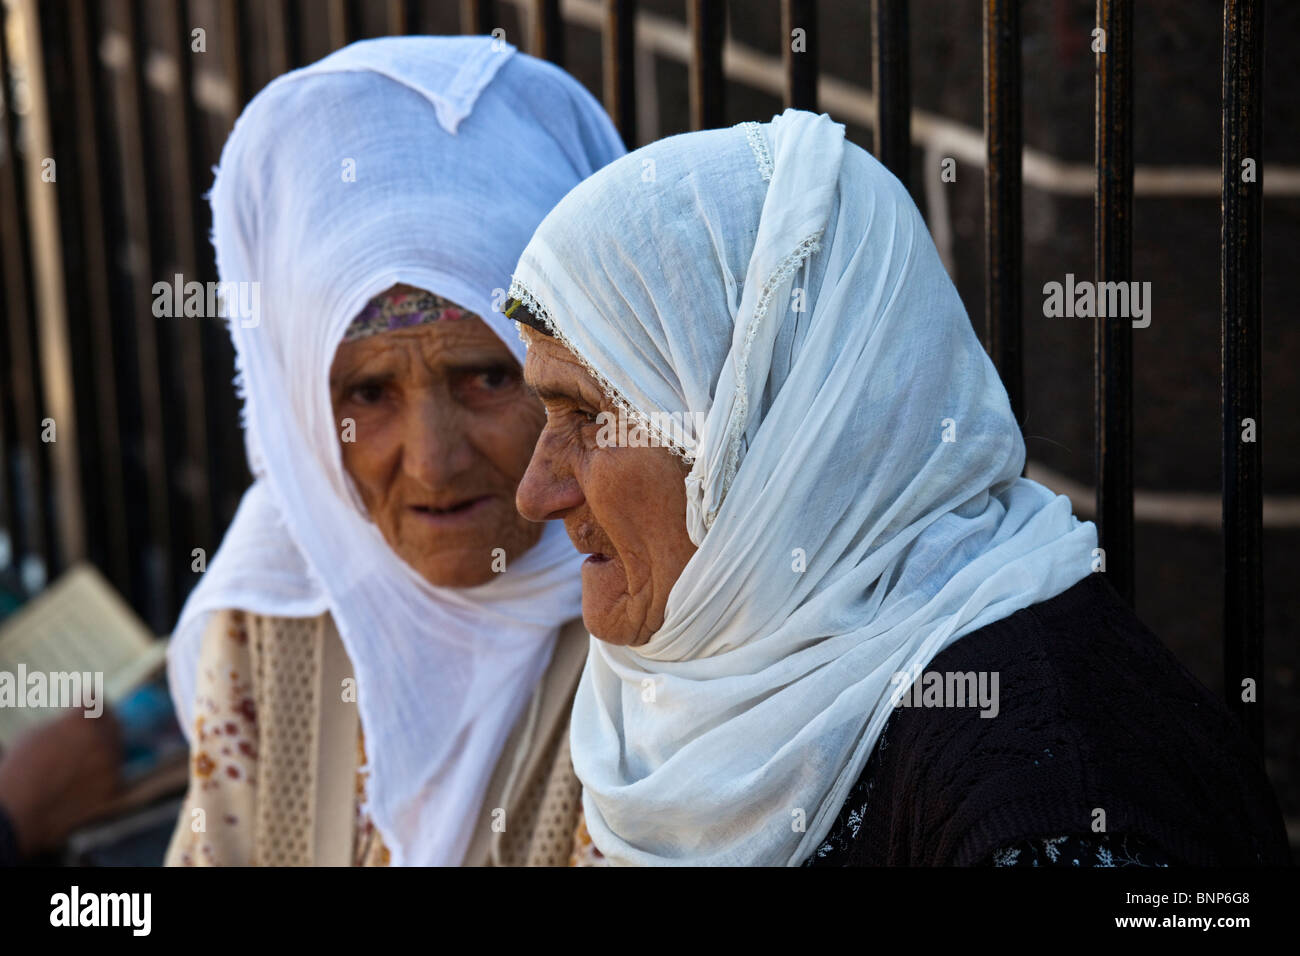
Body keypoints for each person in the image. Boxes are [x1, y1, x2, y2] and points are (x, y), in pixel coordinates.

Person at [506, 109, 1291, 866]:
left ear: (771, 432)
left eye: (587, 414)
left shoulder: (1049, 798)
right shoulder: (663, 692)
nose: (535, 494)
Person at [163, 36, 625, 866]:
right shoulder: (277, 600)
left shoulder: (654, 616)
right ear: (302, 410)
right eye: (367, 394)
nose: (433, 463)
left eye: (487, 377)